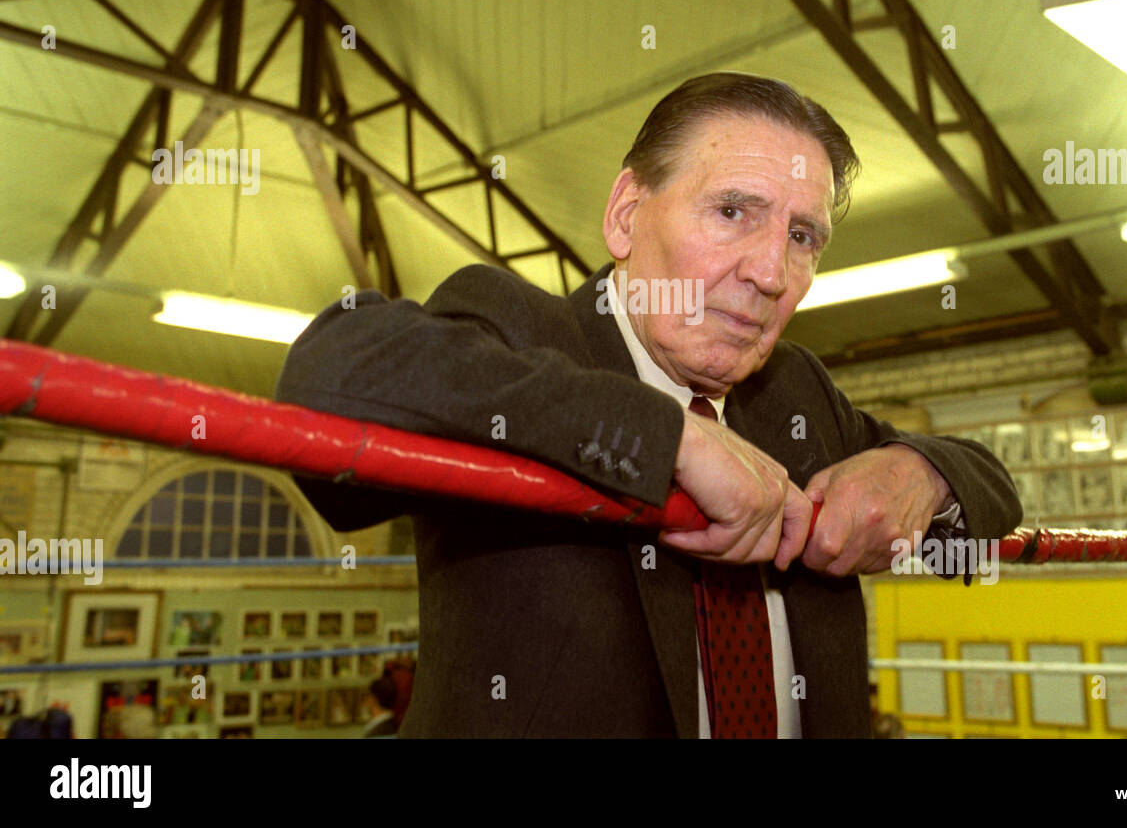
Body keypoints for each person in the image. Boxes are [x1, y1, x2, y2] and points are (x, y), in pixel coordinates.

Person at [276, 72, 1022, 737]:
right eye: (733, 211)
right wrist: (670, 439)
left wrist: (917, 474)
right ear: (627, 215)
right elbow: (329, 379)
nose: (769, 271)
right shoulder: (521, 329)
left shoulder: (794, 392)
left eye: (802, 236)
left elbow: (990, 482)